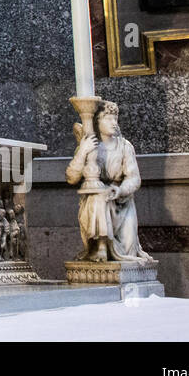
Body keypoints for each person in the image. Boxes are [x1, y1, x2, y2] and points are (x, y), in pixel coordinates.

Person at [65, 102, 152, 263]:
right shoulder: (89, 146)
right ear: (97, 122)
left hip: (122, 203)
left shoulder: (124, 147)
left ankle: (105, 249)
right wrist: (82, 151)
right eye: (108, 119)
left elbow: (134, 178)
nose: (114, 123)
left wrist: (119, 191)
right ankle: (101, 247)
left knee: (128, 255)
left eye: (115, 119)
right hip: (95, 202)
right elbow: (71, 177)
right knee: (98, 197)